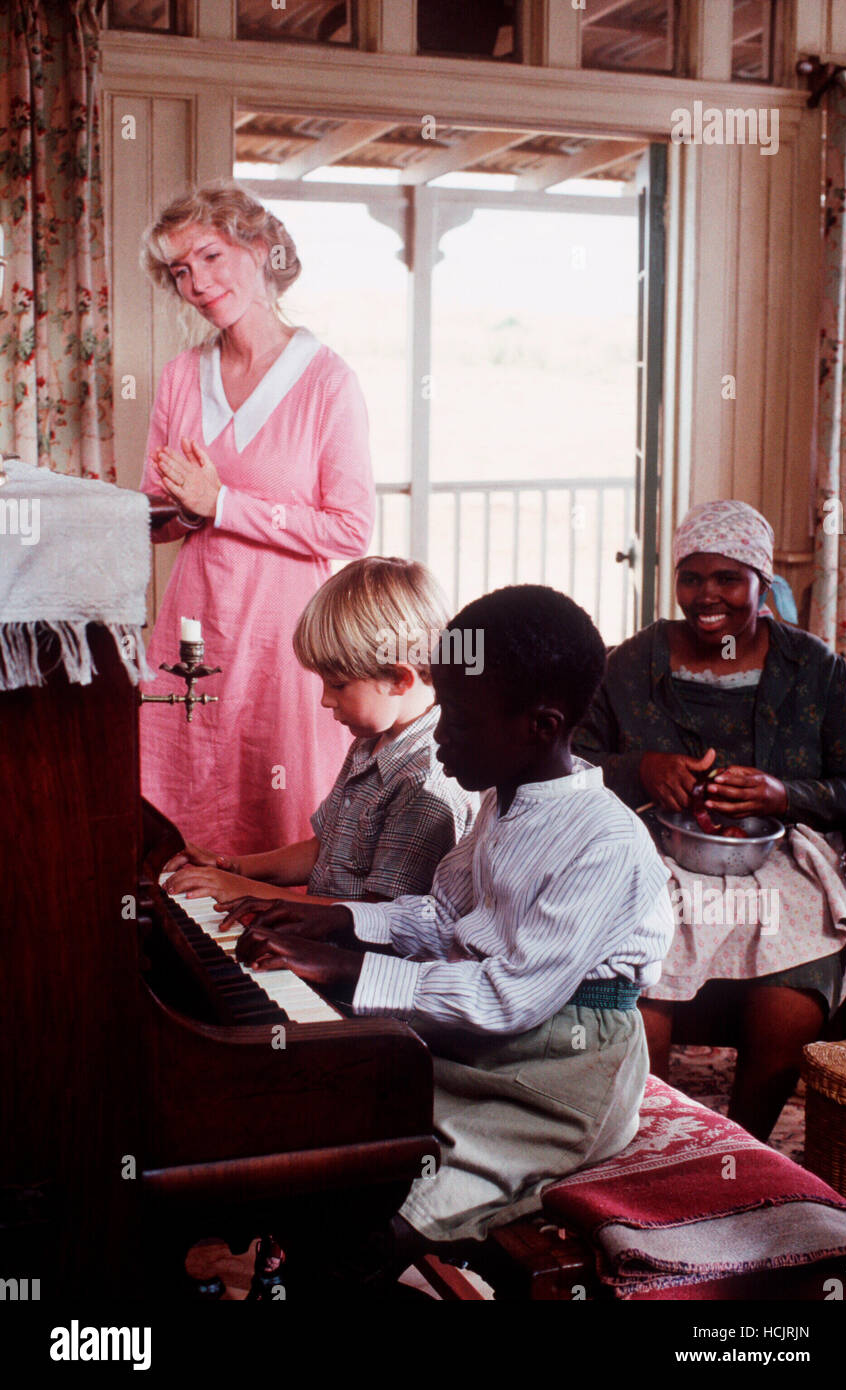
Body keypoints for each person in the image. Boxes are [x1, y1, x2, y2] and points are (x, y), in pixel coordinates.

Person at [224, 585, 674, 1272]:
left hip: (561, 1076)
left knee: (390, 1218)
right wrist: (331, 921)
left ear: (541, 726)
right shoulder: (504, 800)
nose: (438, 735)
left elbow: (508, 996)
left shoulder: (604, 839)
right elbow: (438, 917)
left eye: (459, 719)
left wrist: (344, 967)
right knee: (332, 1132)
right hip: (487, 1044)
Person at [572, 499, 846, 1141]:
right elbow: (570, 762)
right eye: (691, 577)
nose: (708, 596)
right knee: (642, 967)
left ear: (761, 582)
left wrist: (784, 793)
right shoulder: (630, 664)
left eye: (728, 578)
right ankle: (656, 1138)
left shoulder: (816, 671)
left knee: (790, 992)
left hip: (783, 860)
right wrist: (639, 768)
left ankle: (745, 1147)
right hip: (656, 854)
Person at [139, 181, 375, 854]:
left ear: (263, 251)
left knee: (280, 808)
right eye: (181, 271)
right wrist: (184, 512)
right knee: (187, 801)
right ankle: (190, 947)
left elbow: (350, 529)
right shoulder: (182, 376)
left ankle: (278, 951)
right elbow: (158, 519)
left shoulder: (328, 380)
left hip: (284, 632)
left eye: (211, 257)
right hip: (195, 623)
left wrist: (225, 505)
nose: (197, 282)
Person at [161, 556, 476, 906]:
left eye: (338, 685)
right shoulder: (370, 743)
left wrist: (246, 892)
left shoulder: (424, 783)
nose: (325, 700)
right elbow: (322, 852)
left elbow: (379, 920)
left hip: (357, 957)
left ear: (400, 679)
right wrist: (232, 867)